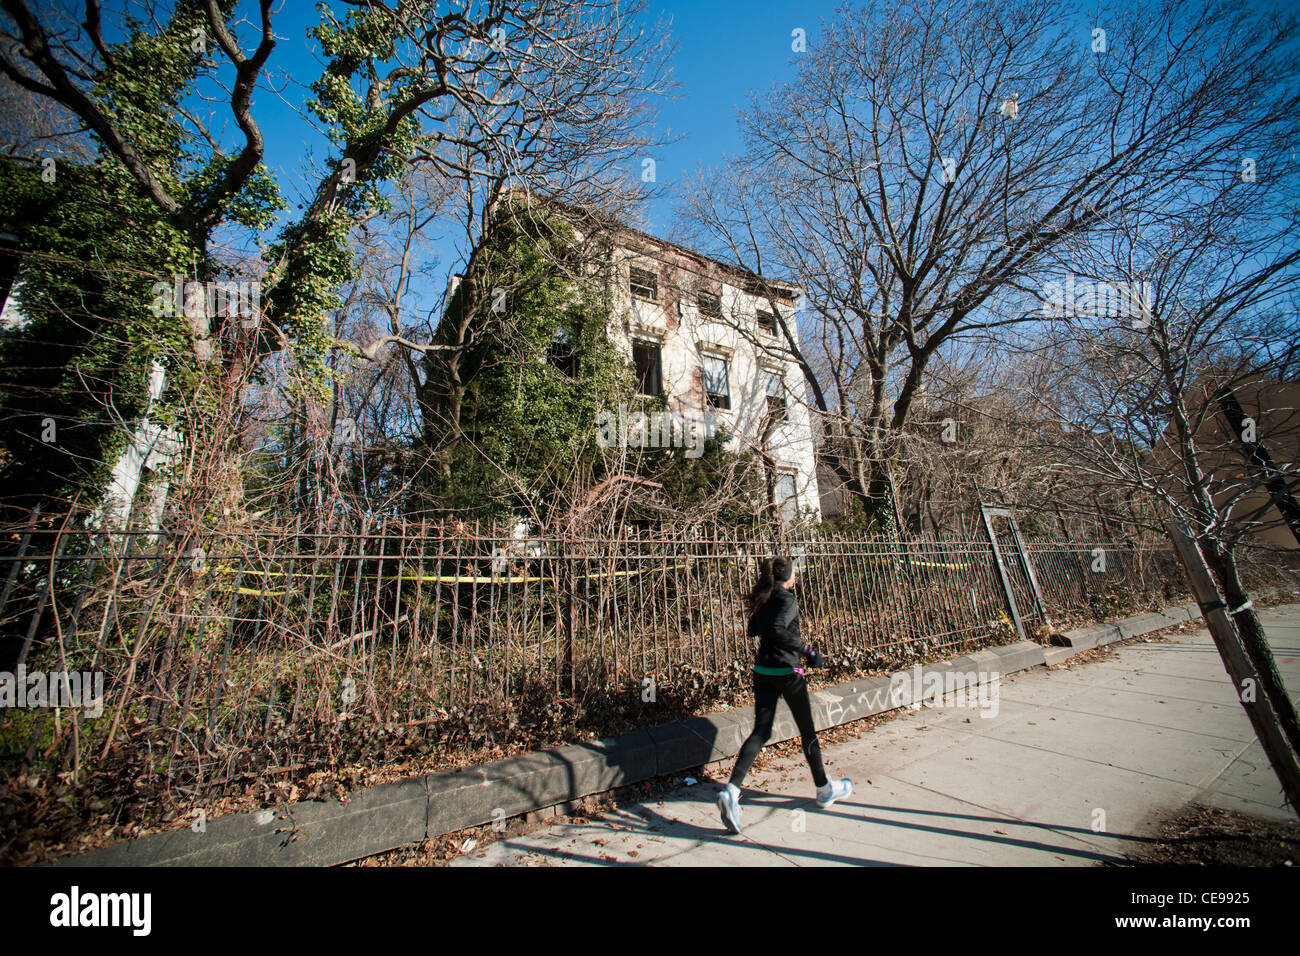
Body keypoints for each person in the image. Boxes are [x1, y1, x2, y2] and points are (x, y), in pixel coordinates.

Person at [718, 555, 852, 834]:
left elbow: (754, 629)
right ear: (788, 577)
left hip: (763, 670)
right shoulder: (787, 599)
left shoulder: (765, 597)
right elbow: (777, 629)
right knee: (807, 732)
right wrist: (808, 651)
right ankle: (824, 789)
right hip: (787, 672)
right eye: (794, 573)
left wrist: (763, 615)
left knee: (761, 732)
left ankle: (731, 791)